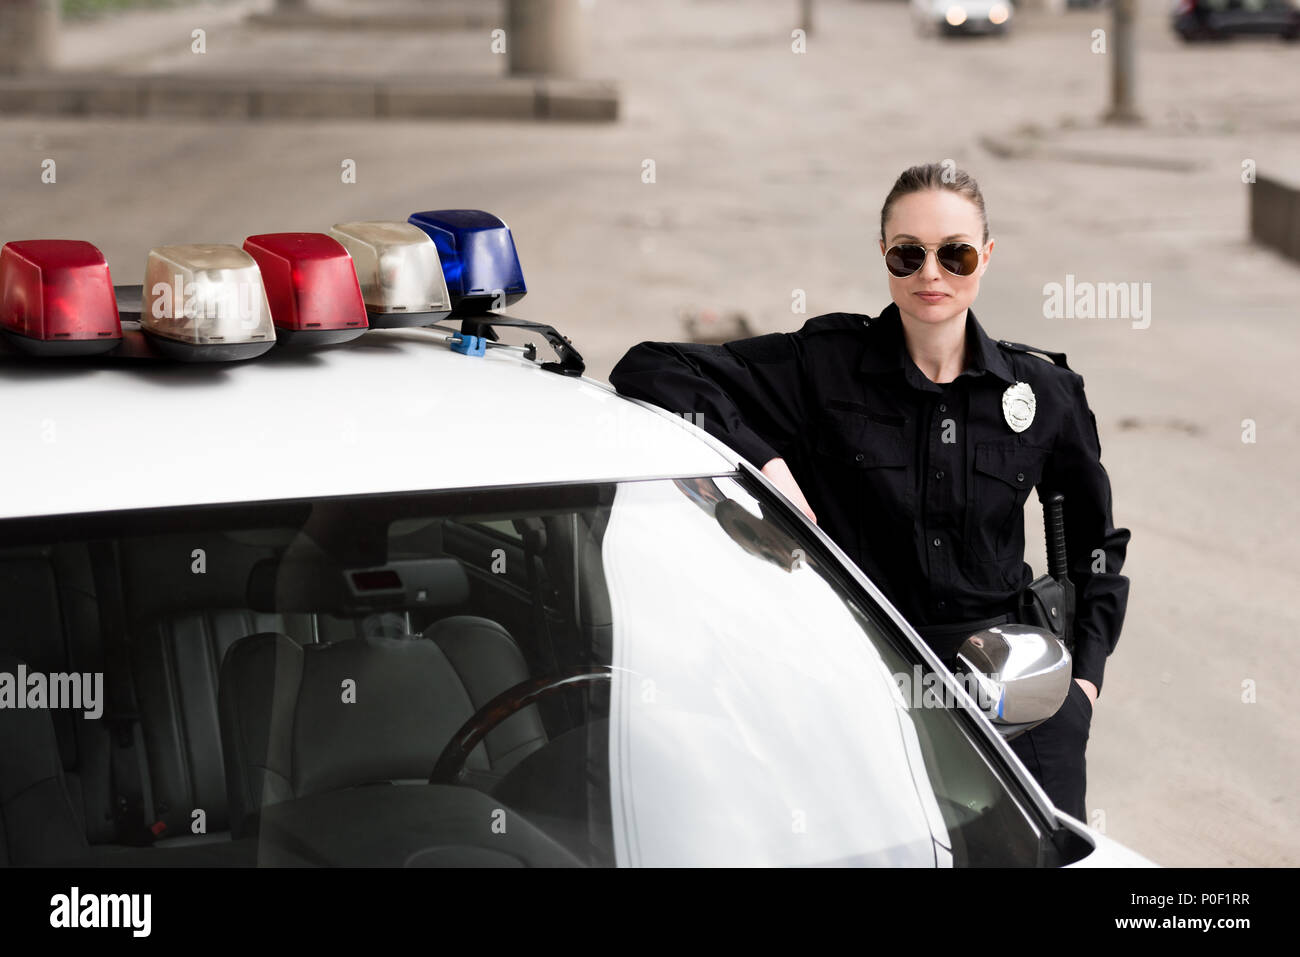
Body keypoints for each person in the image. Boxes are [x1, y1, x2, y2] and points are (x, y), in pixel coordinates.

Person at [607, 162, 1131, 821]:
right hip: (861, 674)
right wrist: (767, 462)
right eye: (908, 254)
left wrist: (1083, 685)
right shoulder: (825, 366)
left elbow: (1096, 549)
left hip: (1012, 693)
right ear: (884, 254)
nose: (931, 275)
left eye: (956, 253)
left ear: (987, 256)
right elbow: (653, 365)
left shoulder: (1042, 390)